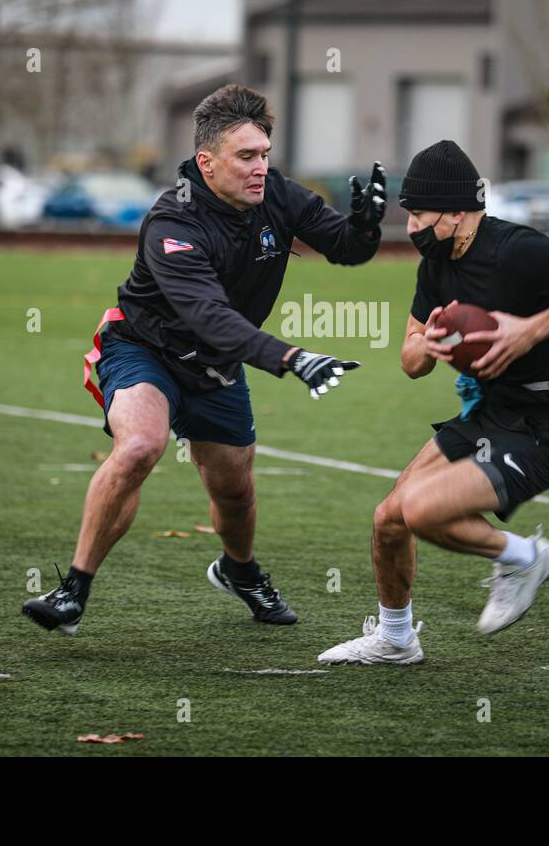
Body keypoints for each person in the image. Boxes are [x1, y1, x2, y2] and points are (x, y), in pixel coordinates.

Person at [24, 84, 385, 635]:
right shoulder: (173, 222)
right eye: (246, 156)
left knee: (235, 491)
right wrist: (289, 357)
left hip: (217, 366)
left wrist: (364, 226)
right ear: (207, 162)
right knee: (141, 446)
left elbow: (347, 248)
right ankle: (74, 589)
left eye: (265, 154)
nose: (260, 167)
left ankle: (240, 571)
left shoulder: (279, 195)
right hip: (146, 350)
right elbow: (208, 314)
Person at [318, 140, 549, 665]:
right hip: (491, 409)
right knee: (389, 519)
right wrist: (433, 343)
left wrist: (527, 332)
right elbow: (410, 361)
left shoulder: (516, 250)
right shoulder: (436, 266)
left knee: (420, 509)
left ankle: (524, 558)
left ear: (459, 210)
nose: (414, 228)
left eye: (420, 214)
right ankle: (397, 639)